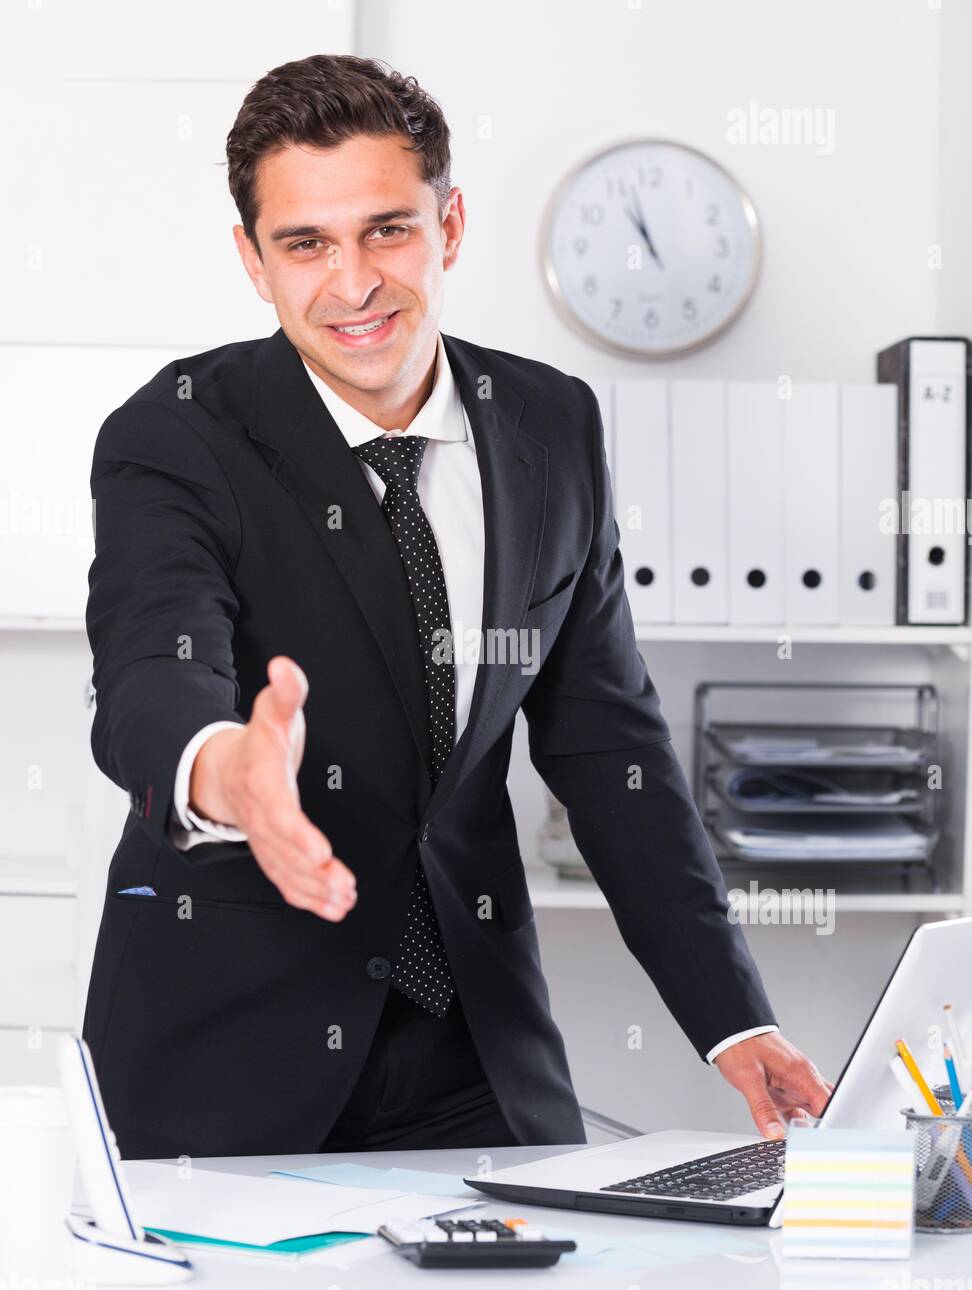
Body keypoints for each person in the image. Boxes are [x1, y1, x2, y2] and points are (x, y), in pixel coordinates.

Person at [83, 53, 832, 1160]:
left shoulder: (550, 425)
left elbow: (608, 745)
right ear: (252, 260)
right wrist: (228, 769)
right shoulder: (176, 430)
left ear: (452, 223)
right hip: (227, 1055)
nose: (353, 284)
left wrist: (735, 1017)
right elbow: (153, 663)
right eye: (306, 244)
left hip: (472, 1050)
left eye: (388, 229)